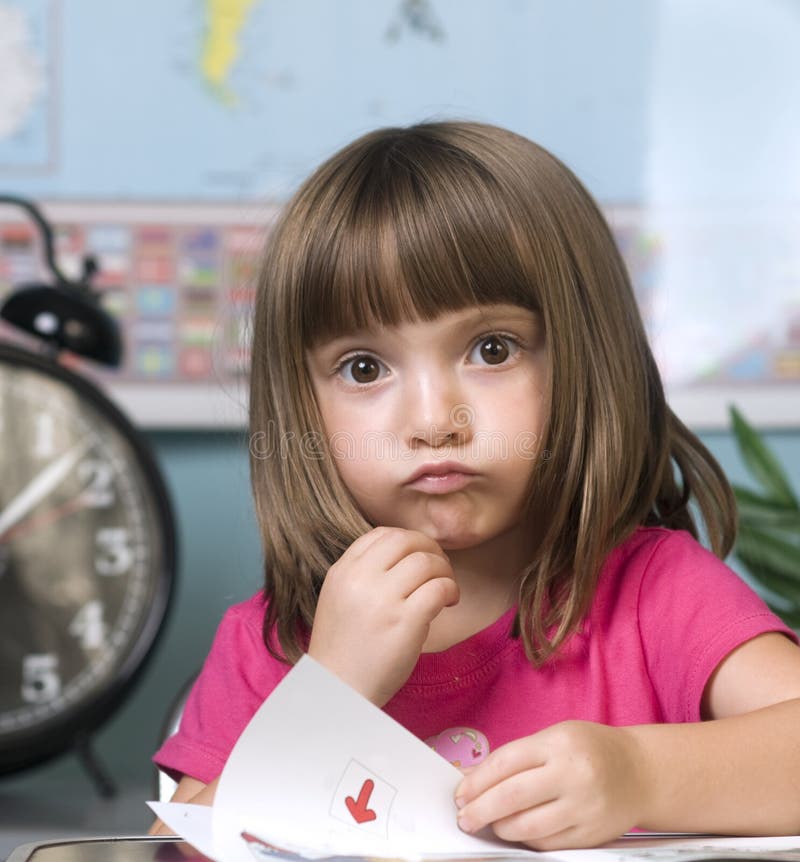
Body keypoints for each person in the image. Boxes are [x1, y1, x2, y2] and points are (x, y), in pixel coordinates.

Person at [151, 121, 800, 848]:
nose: (433, 422)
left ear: (586, 360)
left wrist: (640, 773)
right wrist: (328, 693)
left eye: (492, 349)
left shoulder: (655, 595)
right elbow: (173, 849)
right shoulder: (273, 641)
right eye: (364, 368)